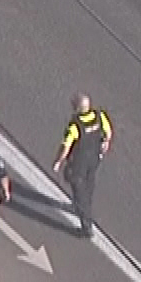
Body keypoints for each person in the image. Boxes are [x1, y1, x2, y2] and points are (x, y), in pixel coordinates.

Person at [51, 94, 113, 238]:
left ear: (77, 108)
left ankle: (86, 227)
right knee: (89, 184)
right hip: (94, 160)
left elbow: (66, 147)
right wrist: (106, 143)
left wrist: (58, 161)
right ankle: (82, 206)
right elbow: (108, 132)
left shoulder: (75, 126)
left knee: (79, 191)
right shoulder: (100, 116)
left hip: (78, 163)